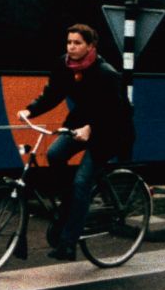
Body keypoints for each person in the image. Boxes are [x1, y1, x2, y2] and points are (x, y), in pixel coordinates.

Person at [17, 23, 134, 261]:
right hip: (80, 124)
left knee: (82, 182)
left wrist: (92, 129)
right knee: (54, 154)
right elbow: (53, 93)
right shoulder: (65, 65)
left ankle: (68, 245)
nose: (71, 47)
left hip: (110, 131)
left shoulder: (106, 73)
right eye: (69, 42)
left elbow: (119, 112)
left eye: (77, 43)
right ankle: (70, 203)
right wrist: (30, 110)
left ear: (90, 46)